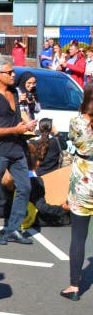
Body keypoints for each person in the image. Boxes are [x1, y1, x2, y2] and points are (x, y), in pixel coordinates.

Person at [0, 61, 35, 246]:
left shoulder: (14, 93)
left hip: (16, 148)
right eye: (9, 72)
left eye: (13, 72)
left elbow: (15, 121)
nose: (13, 75)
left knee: (25, 187)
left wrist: (26, 127)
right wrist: (15, 130)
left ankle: (13, 229)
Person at [60, 83, 93, 301]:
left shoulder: (78, 122)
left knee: (78, 237)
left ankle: (74, 286)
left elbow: (75, 145)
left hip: (83, 182)